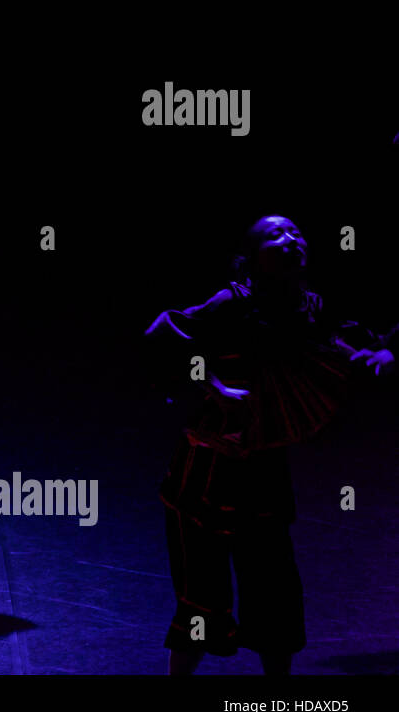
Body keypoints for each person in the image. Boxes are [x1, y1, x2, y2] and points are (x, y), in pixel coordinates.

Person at [144, 215, 393, 675]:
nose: (290, 238)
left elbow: (353, 347)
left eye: (296, 232)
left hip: (264, 477)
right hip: (204, 474)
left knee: (275, 596)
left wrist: (381, 353)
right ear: (250, 259)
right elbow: (166, 337)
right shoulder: (230, 304)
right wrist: (213, 385)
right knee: (201, 598)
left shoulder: (313, 311)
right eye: (275, 234)